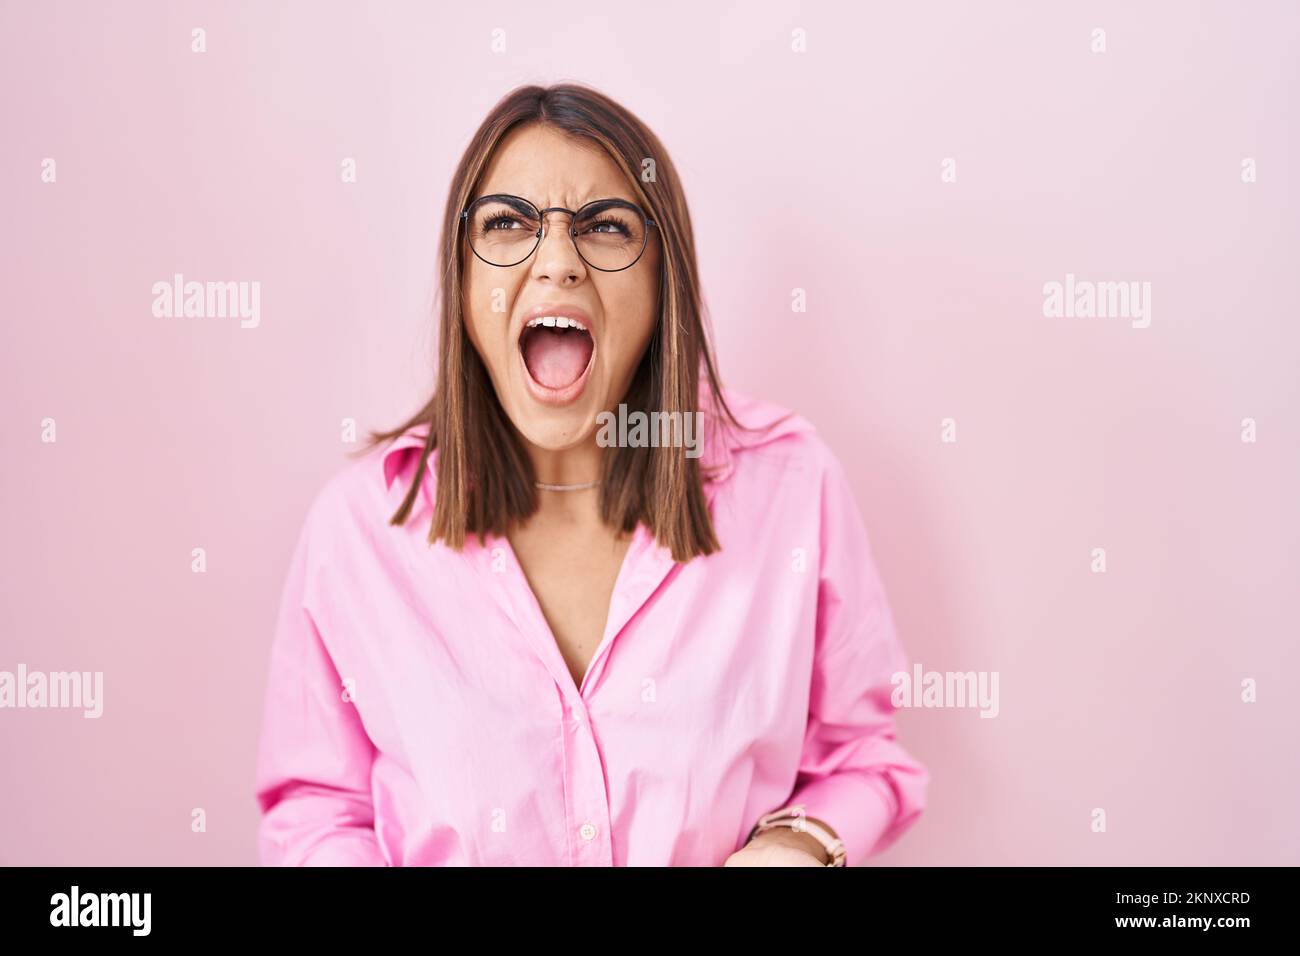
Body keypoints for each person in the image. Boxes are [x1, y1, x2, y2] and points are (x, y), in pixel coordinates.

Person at [253, 82, 928, 866]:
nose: (559, 263)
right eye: (507, 223)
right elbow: (315, 810)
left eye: (606, 228)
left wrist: (798, 845)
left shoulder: (791, 488)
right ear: (464, 284)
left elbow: (865, 760)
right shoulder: (361, 528)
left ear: (660, 284)